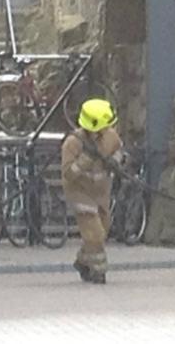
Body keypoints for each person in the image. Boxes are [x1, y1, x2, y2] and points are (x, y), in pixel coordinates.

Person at [61, 98, 125, 285]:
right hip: (80, 192)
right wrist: (84, 161)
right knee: (94, 233)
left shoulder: (111, 136)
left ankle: (83, 260)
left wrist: (116, 160)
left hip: (101, 192)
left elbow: (119, 150)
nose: (106, 129)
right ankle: (98, 270)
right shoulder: (72, 144)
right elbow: (68, 173)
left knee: (102, 230)